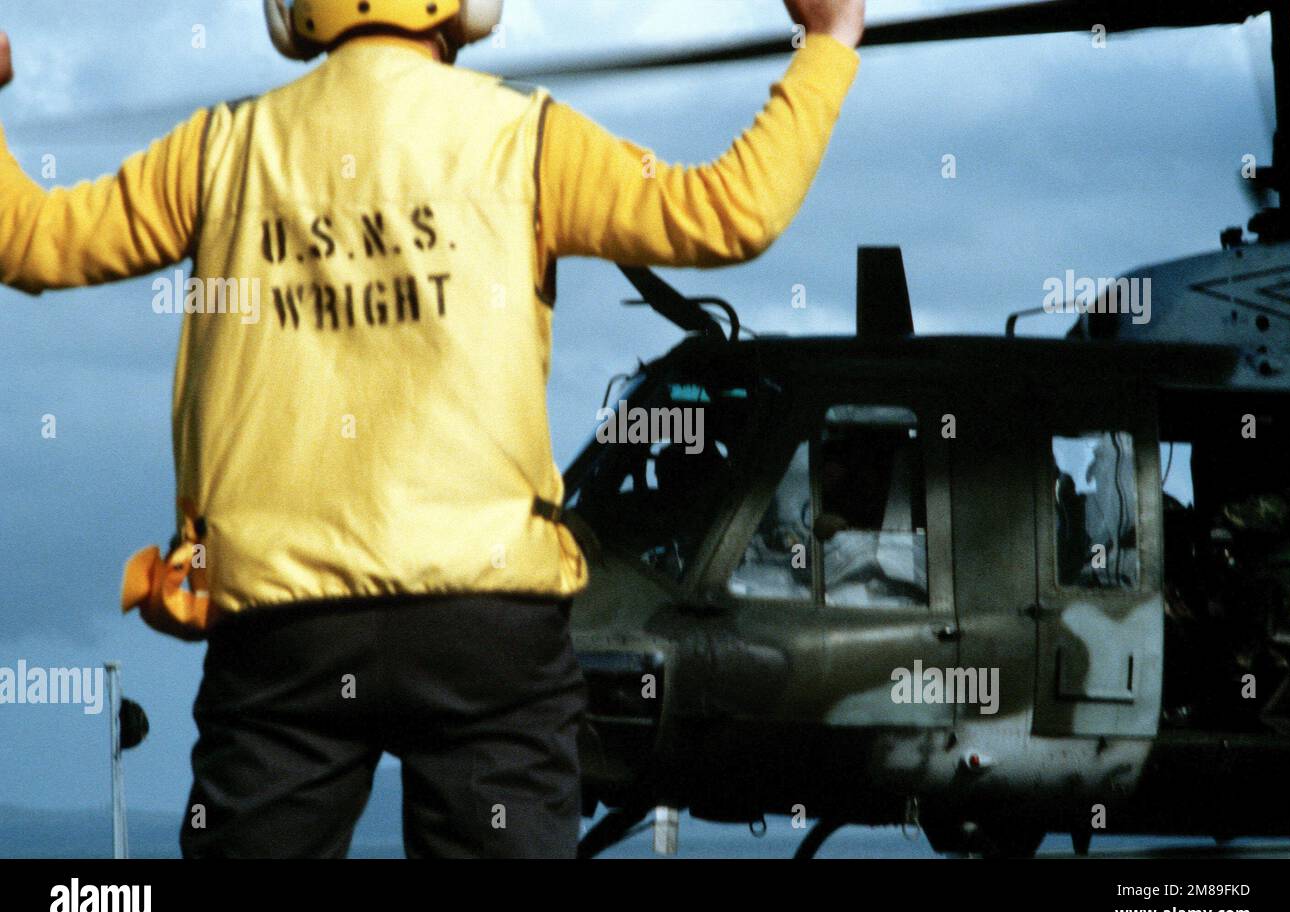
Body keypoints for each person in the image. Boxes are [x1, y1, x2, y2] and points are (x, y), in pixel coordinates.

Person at [0, 0, 864, 857]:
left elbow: (31, 241)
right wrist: (827, 41)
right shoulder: (525, 138)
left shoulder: (221, 149)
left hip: (284, 635)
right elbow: (730, 213)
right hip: (487, 629)